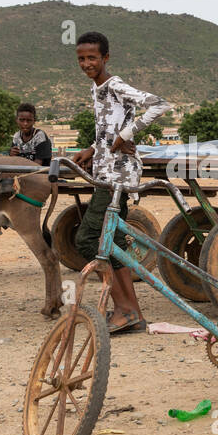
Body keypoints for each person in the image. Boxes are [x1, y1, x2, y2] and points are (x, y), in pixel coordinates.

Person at [71, 31, 171, 334]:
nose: (87, 63)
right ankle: (131, 313)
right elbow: (106, 127)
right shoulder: (97, 88)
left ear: (105, 58)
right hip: (105, 170)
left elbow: (159, 104)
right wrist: (93, 147)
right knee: (112, 242)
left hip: (117, 175)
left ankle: (125, 309)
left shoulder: (114, 84)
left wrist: (126, 136)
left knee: (88, 239)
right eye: (81, 59)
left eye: (92, 58)